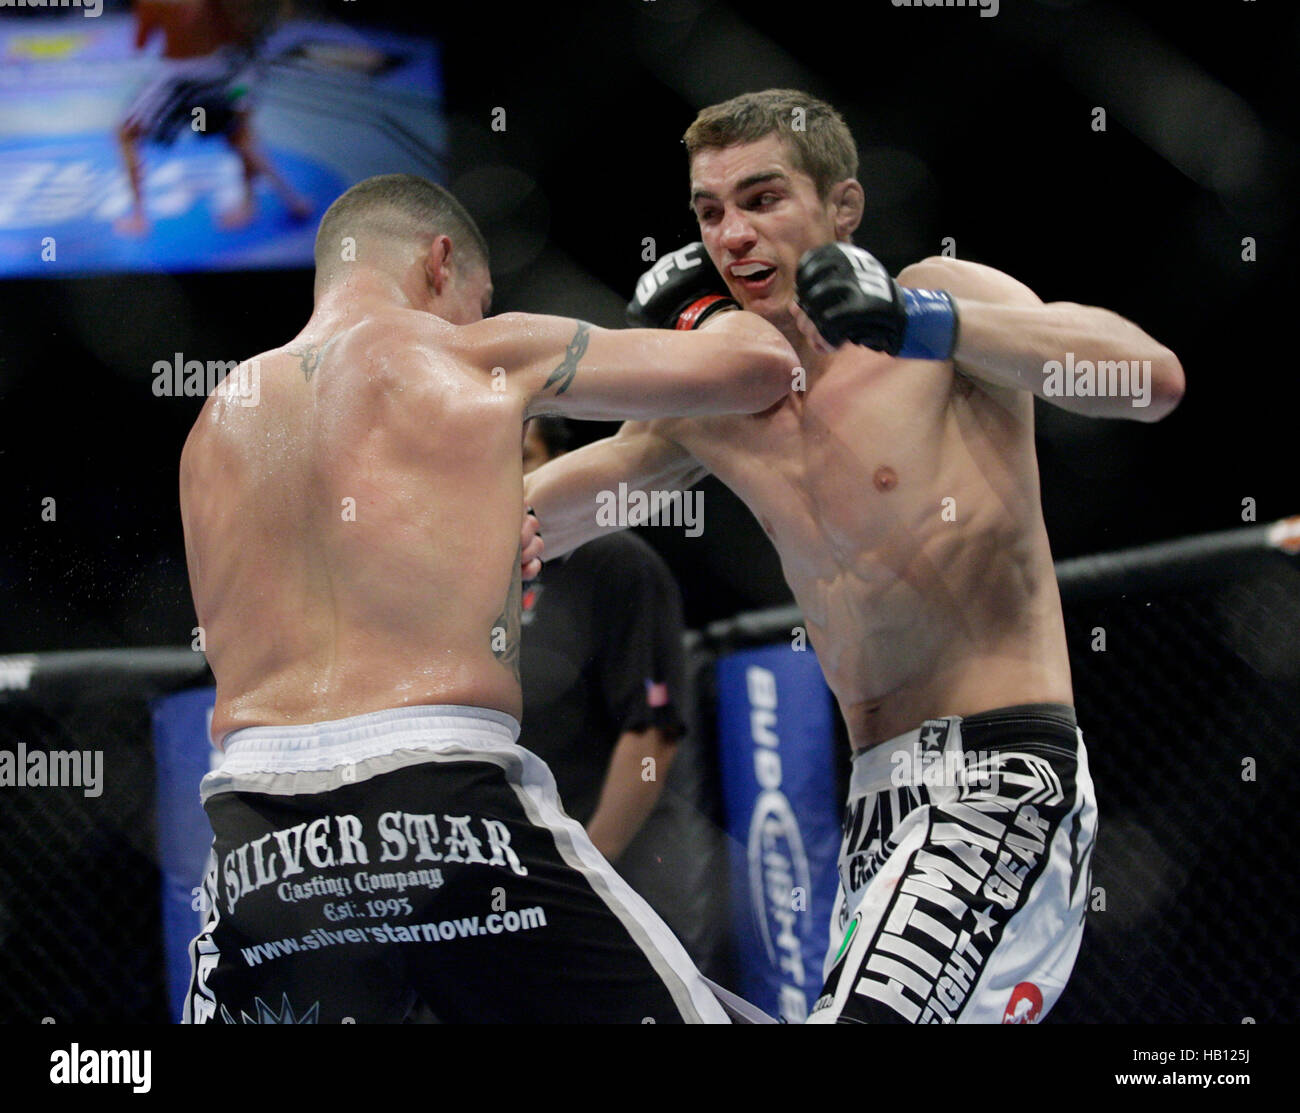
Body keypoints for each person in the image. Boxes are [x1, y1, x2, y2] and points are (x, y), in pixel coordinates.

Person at [524, 89, 1185, 1024]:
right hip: (875, 804)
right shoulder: (723, 399)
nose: (734, 234)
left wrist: (925, 320)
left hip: (998, 777)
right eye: (710, 212)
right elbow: (548, 514)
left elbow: (1149, 382)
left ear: (843, 207)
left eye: (762, 199)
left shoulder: (944, 310)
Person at [178, 172, 796, 1023]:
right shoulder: (467, 352)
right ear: (441, 263)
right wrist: (697, 301)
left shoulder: (217, 413)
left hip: (256, 832)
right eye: (478, 295)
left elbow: (313, 582)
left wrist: (469, 547)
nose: (476, 314)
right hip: (444, 800)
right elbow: (759, 368)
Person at [520, 417, 710, 961]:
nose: (516, 480)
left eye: (526, 459)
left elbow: (653, 731)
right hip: (525, 886)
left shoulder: (617, 563)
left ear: (566, 462)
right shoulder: (480, 578)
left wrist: (589, 869)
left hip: (618, 880)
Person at [115, 0, 310, 236]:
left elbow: (140, 43)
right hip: (221, 70)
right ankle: (289, 200)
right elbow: (233, 34)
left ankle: (139, 217)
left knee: (125, 132)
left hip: (179, 78)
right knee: (240, 137)